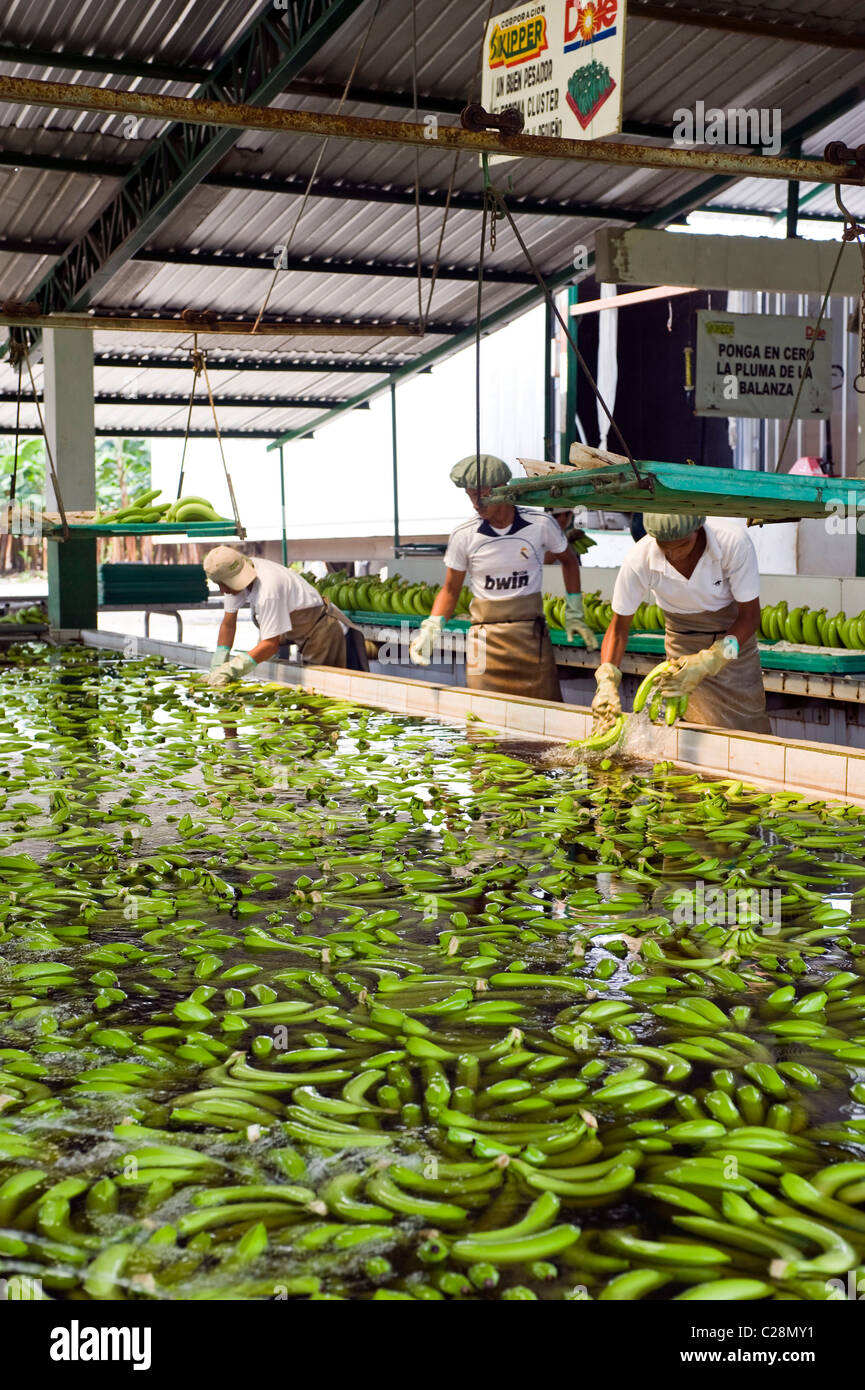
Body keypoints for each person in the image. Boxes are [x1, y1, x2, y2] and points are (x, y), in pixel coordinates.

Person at [409, 454, 597, 701]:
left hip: (530, 637)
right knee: (481, 721)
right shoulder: (464, 535)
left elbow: (569, 562)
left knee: (543, 718)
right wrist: (432, 627)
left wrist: (574, 611)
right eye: (470, 496)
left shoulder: (540, 524)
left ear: (502, 490)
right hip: (483, 641)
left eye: (482, 495)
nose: (476, 503)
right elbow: (451, 590)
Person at [592, 513, 770, 734]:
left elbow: (750, 618)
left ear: (698, 529)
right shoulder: (640, 557)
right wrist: (607, 677)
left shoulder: (732, 543)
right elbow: (618, 629)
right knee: (687, 729)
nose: (674, 554)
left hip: (733, 648)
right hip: (680, 645)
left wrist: (712, 659)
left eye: (683, 545)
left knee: (748, 728)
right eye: (664, 547)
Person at [203, 547, 367, 688]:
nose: (224, 590)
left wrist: (234, 668)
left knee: (321, 698)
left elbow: (270, 645)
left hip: (322, 631)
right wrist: (219, 662)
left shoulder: (268, 589)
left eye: (225, 585)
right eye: (220, 585)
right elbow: (228, 624)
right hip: (296, 631)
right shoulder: (235, 576)